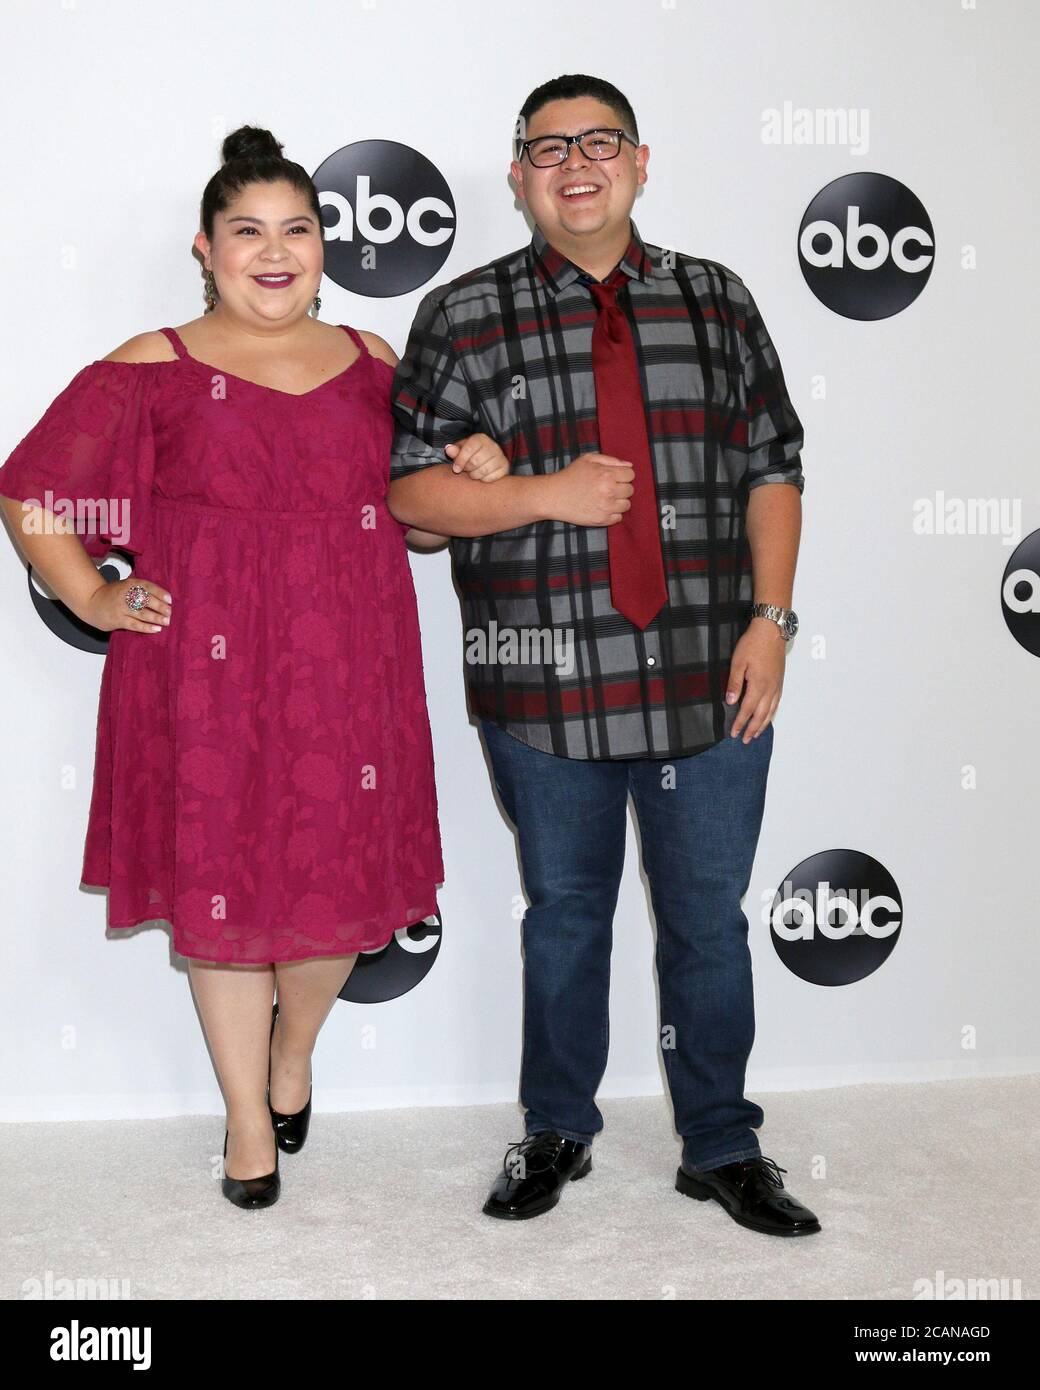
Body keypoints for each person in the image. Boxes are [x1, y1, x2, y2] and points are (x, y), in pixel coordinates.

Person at [0, 125, 507, 1210]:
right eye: (247, 232)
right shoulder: (152, 366)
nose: (273, 253)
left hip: (348, 660)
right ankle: (245, 1117)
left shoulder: (378, 365)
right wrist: (91, 592)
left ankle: (294, 1052)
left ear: (325, 246)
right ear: (205, 248)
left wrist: (470, 463)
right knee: (220, 900)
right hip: (203, 673)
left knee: (335, 893)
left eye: (296, 230)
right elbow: (36, 491)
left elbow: (417, 524)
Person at [387, 75, 821, 1236]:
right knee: (563, 912)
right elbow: (413, 499)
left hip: (708, 674)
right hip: (542, 678)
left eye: (598, 142)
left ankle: (721, 1142)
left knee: (707, 920)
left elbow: (772, 468)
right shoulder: (460, 315)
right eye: (547, 148)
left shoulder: (716, 300)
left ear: (639, 161)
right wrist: (545, 495)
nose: (574, 164)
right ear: (519, 173)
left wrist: (768, 623)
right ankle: (556, 1127)